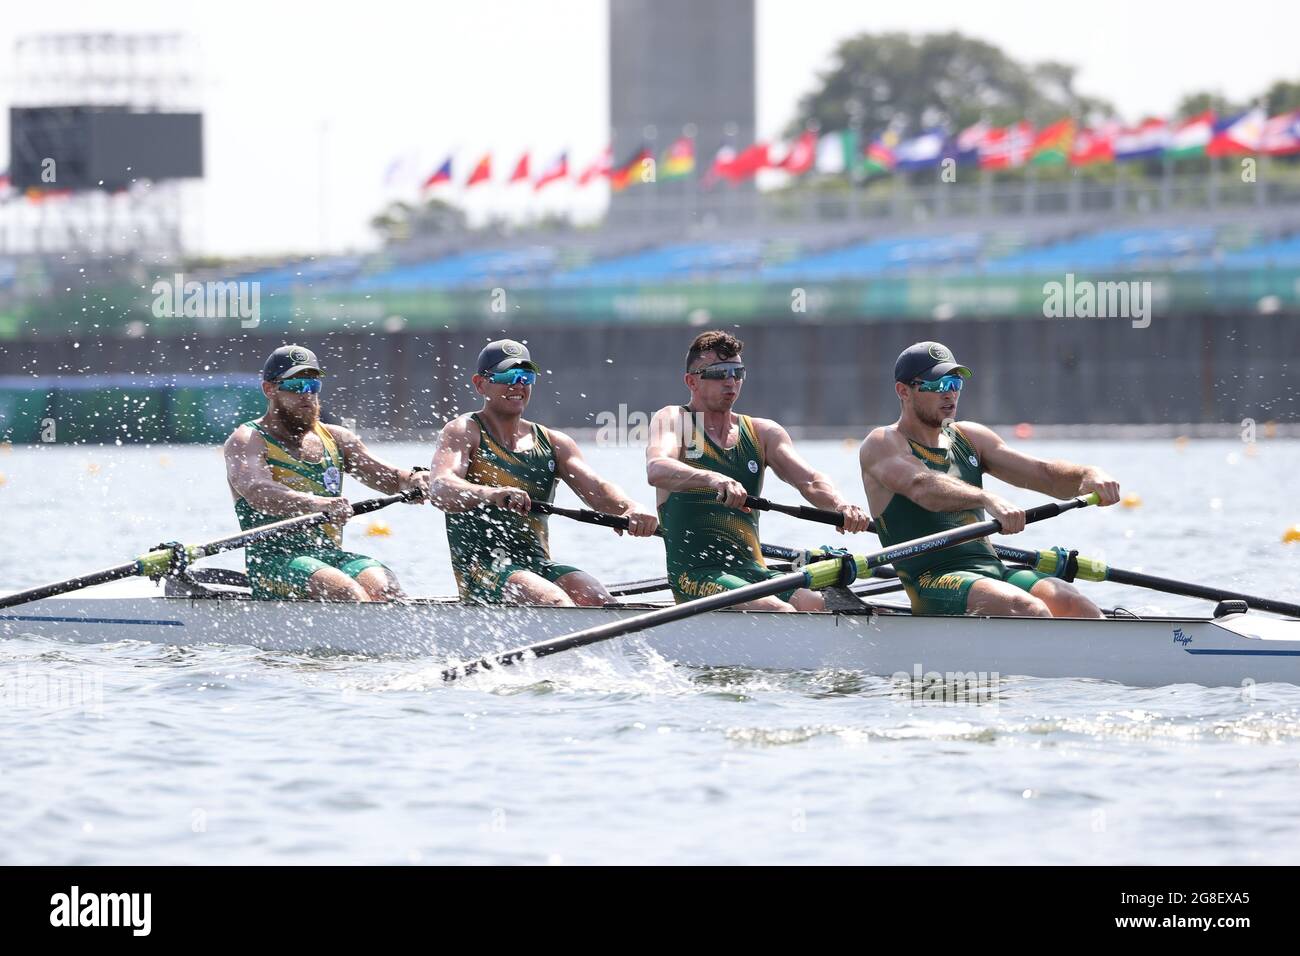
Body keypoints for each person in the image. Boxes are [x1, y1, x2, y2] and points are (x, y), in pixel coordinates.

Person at [859, 341, 1121, 617]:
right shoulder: (882, 443)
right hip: (932, 579)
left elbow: (1044, 475)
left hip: (992, 570)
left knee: (1075, 604)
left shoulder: (971, 438)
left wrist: (1087, 475)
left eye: (955, 383)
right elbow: (921, 486)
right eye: (938, 385)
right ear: (904, 391)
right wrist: (986, 497)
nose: (950, 394)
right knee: (1028, 609)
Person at [645, 330, 871, 611]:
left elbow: (809, 480)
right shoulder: (674, 419)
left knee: (818, 604)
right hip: (697, 575)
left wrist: (841, 505)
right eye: (718, 373)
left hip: (754, 572)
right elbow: (657, 468)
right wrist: (713, 478)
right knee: (780, 611)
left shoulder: (763, 433)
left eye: (737, 372)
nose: (730, 381)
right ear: (691, 381)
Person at [429, 339, 658, 606]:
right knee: (554, 601)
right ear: (480, 383)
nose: (518, 384)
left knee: (600, 600)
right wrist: (492, 495)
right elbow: (441, 488)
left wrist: (630, 508)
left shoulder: (554, 442)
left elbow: (597, 490)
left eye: (526, 376)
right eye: (506, 375)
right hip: (482, 569)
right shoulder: (464, 431)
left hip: (536, 564)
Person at [224, 345, 429, 601]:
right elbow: (258, 492)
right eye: (296, 386)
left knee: (386, 590)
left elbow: (391, 479)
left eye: (313, 386)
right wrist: (317, 504)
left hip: (329, 557)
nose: (306, 395)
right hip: (273, 563)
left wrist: (415, 478)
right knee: (348, 592)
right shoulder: (247, 439)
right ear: (269, 389)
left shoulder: (337, 438)